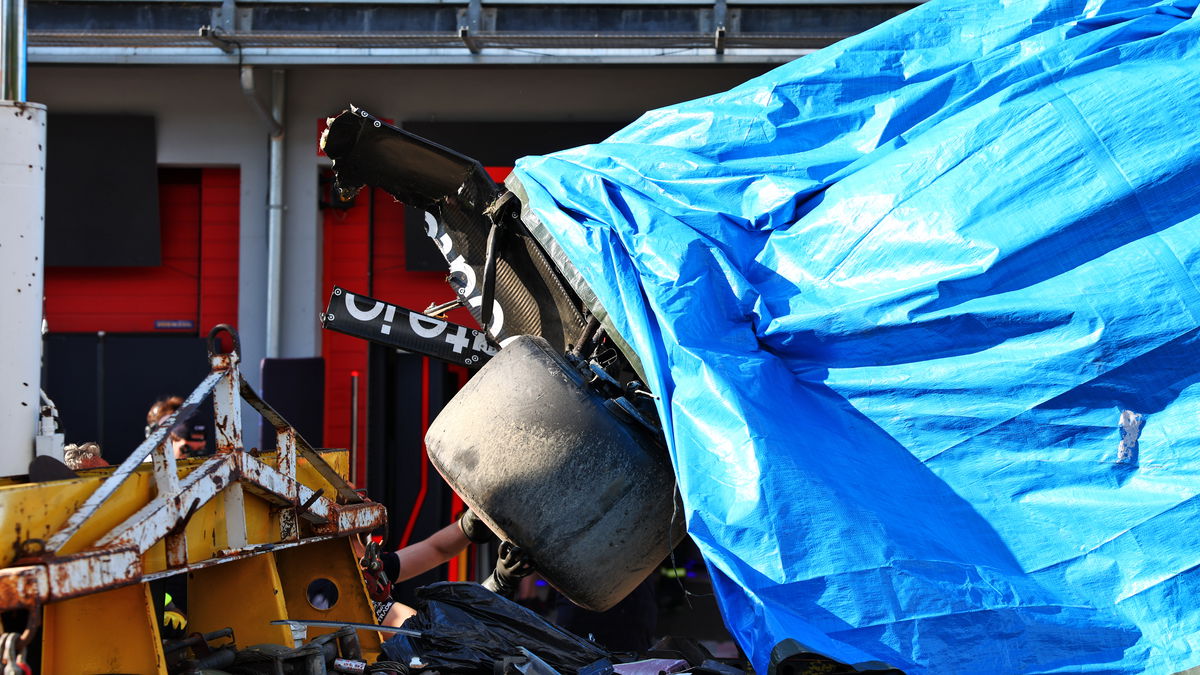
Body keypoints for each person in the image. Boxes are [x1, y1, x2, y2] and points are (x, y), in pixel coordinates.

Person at [360, 508, 532, 626]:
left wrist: (470, 525)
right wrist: (497, 584)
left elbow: (435, 549)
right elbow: (430, 632)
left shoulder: (362, 568)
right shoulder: (348, 587)